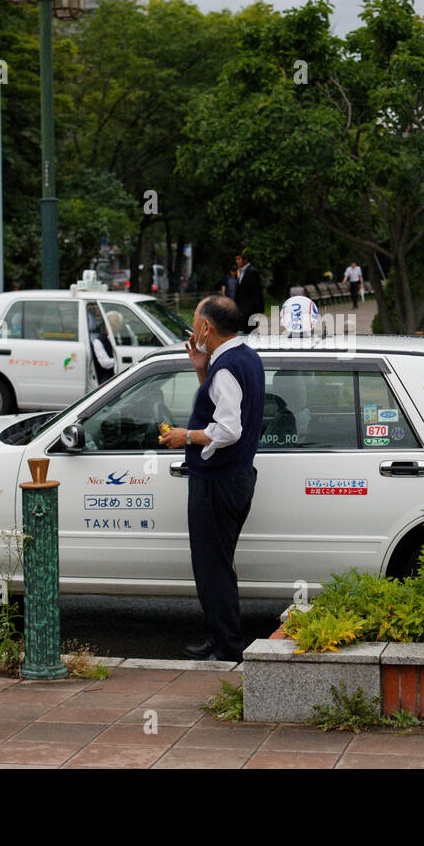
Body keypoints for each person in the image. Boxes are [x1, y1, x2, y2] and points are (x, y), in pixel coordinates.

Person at [158, 294, 265, 663]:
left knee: (212, 568)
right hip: (234, 478)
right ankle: (222, 639)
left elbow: (227, 428)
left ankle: (228, 648)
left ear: (206, 327)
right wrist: (200, 369)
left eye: (195, 320)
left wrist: (183, 436)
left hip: (217, 482)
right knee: (217, 564)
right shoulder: (244, 357)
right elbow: (225, 407)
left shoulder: (227, 367)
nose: (193, 326)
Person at [233, 252, 264, 331]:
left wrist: (260, 309)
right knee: (243, 330)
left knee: (250, 331)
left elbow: (257, 291)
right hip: (241, 308)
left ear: (245, 260)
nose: (237, 261)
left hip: (250, 308)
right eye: (236, 259)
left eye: (239, 259)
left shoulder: (252, 271)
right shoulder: (241, 271)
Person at [88, 307, 117, 385]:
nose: (114, 326)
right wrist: (120, 359)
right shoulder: (98, 341)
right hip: (108, 378)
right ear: (106, 326)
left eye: (117, 323)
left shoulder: (126, 335)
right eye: (111, 324)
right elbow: (105, 363)